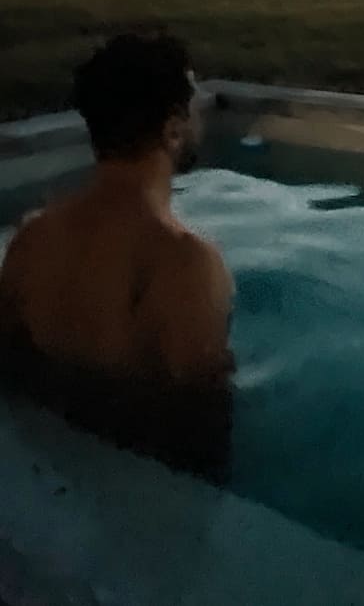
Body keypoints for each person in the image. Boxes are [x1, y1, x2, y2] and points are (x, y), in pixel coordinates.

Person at [0, 33, 236, 480]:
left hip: (54, 470)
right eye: (194, 101)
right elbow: (204, 433)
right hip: (141, 490)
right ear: (172, 128)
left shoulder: (30, 239)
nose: (201, 111)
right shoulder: (184, 262)